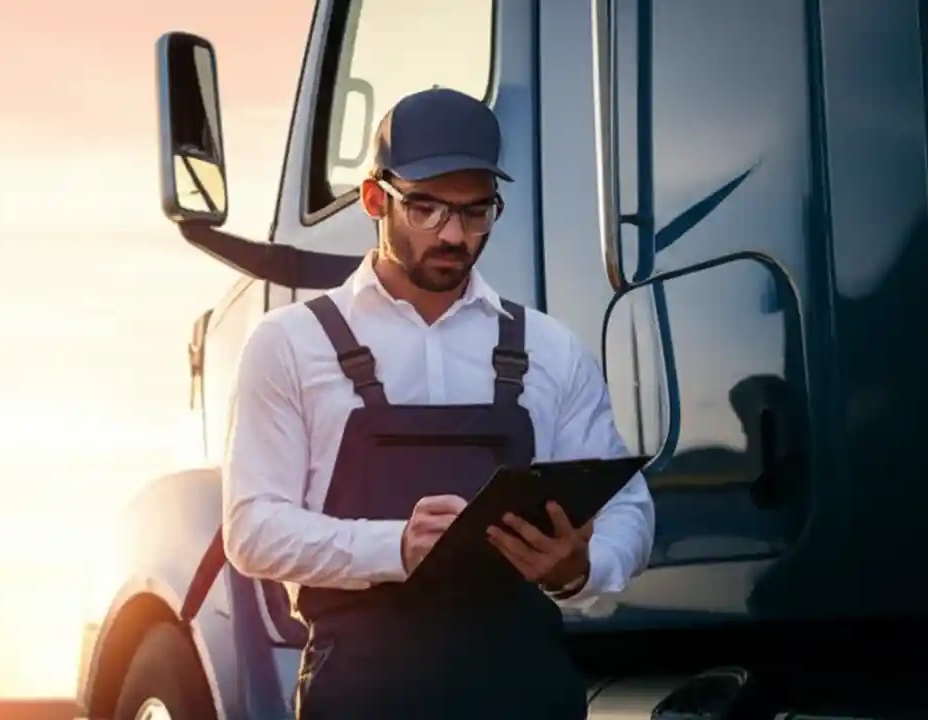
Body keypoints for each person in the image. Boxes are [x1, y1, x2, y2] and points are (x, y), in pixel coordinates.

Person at [221, 87, 655, 719]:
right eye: (427, 209)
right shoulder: (290, 344)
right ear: (376, 198)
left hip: (523, 689)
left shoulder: (550, 349)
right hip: (362, 694)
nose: (454, 234)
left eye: (477, 211)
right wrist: (395, 546)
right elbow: (253, 528)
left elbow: (630, 514)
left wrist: (576, 568)